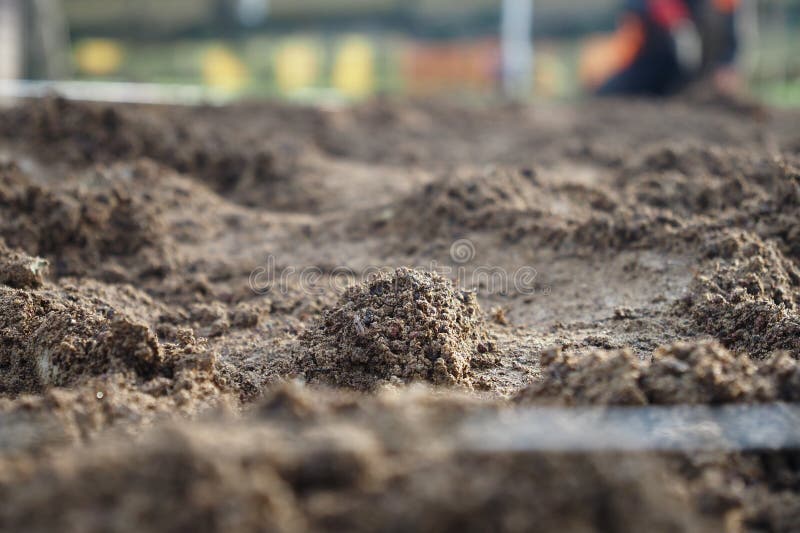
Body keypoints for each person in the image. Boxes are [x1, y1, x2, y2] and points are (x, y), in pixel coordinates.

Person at [587, 0, 740, 96]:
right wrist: (676, 25)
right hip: (646, 61)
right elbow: (634, 9)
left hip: (696, 74)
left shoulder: (722, 5)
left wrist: (728, 64)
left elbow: (731, 31)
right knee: (608, 94)